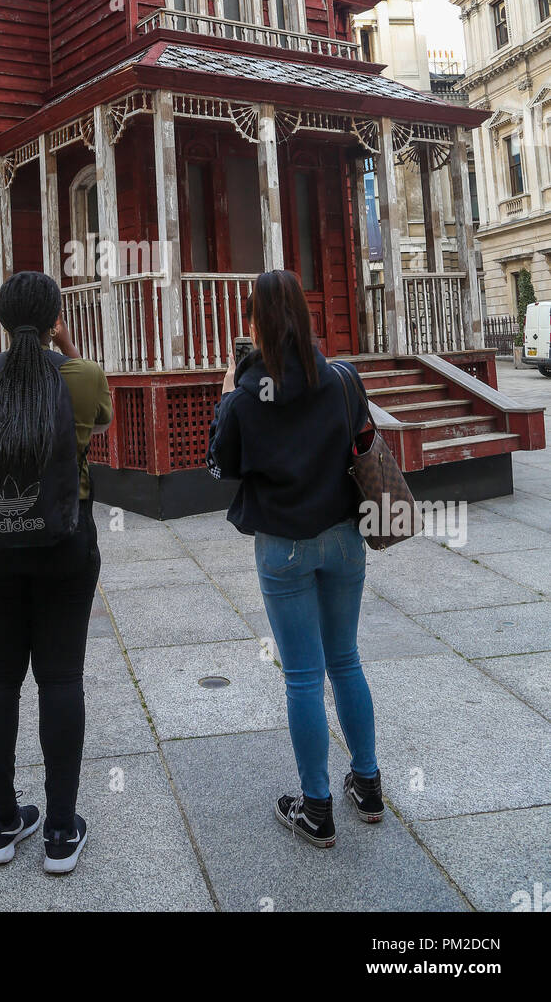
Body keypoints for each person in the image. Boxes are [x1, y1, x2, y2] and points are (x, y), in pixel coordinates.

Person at [207, 268, 383, 848]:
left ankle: (317, 807)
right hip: (344, 536)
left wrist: (225, 397)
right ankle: (368, 784)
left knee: (304, 676)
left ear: (255, 325)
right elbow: (361, 440)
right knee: (346, 660)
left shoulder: (245, 396)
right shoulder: (342, 379)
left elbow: (219, 466)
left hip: (283, 544)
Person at [0, 270, 112, 874]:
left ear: (1, 320)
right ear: (54, 321)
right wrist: (66, 345)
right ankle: (61, 832)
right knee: (60, 678)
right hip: (63, 544)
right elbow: (103, 420)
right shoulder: (83, 378)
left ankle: (1, 824)